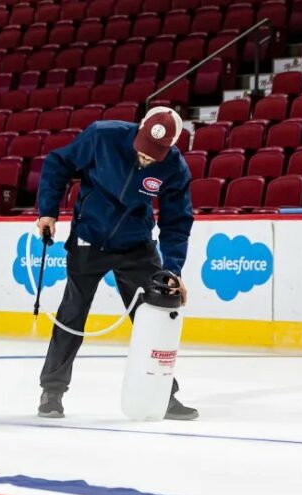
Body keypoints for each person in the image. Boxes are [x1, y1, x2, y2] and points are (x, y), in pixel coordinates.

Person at [35, 106, 198, 421]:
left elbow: (178, 223)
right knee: (72, 315)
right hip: (89, 239)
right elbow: (59, 162)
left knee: (154, 318)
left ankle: (164, 396)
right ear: (137, 131)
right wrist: (48, 211)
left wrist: (173, 271)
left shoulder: (175, 168)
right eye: (143, 151)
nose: (146, 159)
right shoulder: (103, 135)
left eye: (154, 156)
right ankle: (51, 392)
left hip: (136, 245)